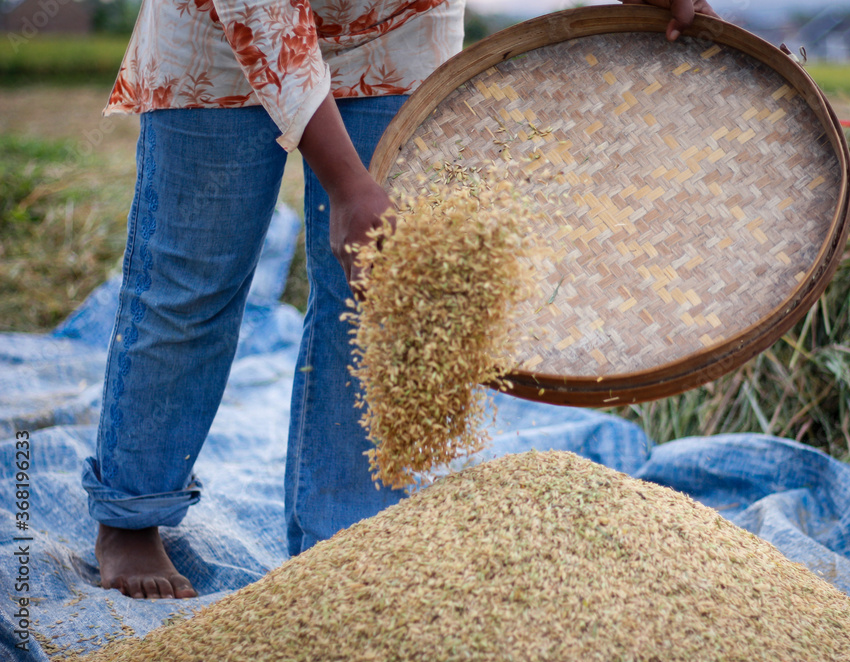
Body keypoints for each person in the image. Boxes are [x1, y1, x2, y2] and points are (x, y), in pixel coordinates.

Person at [86, 0, 717, 600]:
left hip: (394, 38)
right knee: (191, 286)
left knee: (377, 291)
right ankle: (131, 513)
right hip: (226, 34)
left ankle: (347, 529)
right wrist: (346, 185)